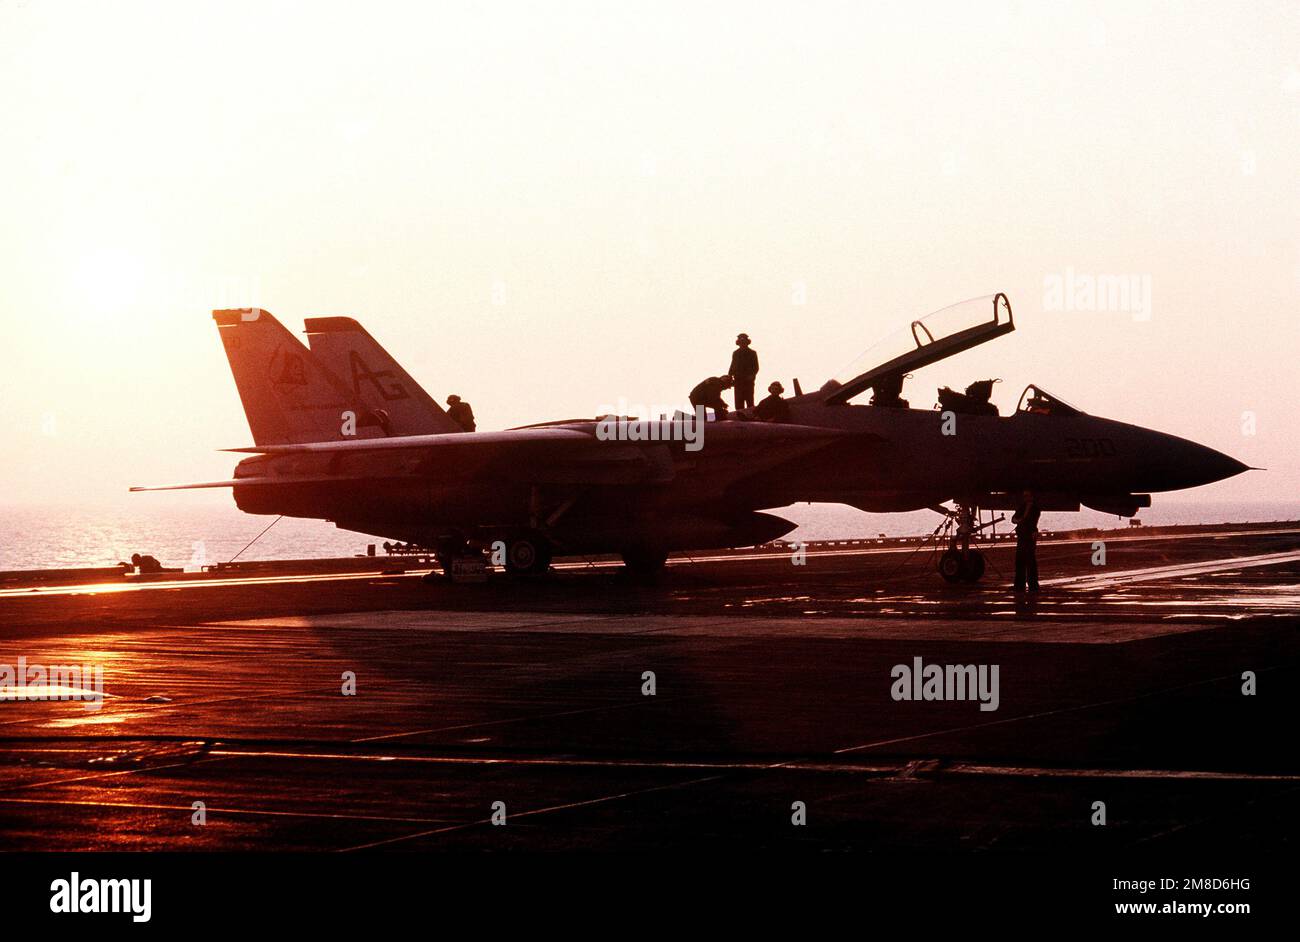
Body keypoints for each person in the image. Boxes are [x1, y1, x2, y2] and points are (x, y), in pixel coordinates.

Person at [1011, 489, 1041, 592]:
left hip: (1029, 535)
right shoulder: (1022, 507)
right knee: (1020, 561)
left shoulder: (1035, 508)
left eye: (1027, 496)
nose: (1025, 498)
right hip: (1022, 535)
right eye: (1025, 496)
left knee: (1030, 561)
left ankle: (1033, 584)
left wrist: (1021, 520)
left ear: (1032, 497)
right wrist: (1020, 520)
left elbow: (1031, 521)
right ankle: (1019, 585)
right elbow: (1013, 519)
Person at [728, 333, 759, 411]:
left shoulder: (752, 353)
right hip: (738, 381)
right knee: (739, 403)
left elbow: (756, 367)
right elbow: (733, 365)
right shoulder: (736, 353)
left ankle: (750, 419)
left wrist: (752, 375)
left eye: (743, 340)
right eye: (740, 341)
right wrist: (730, 375)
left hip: (748, 381)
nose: (742, 343)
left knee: (749, 401)